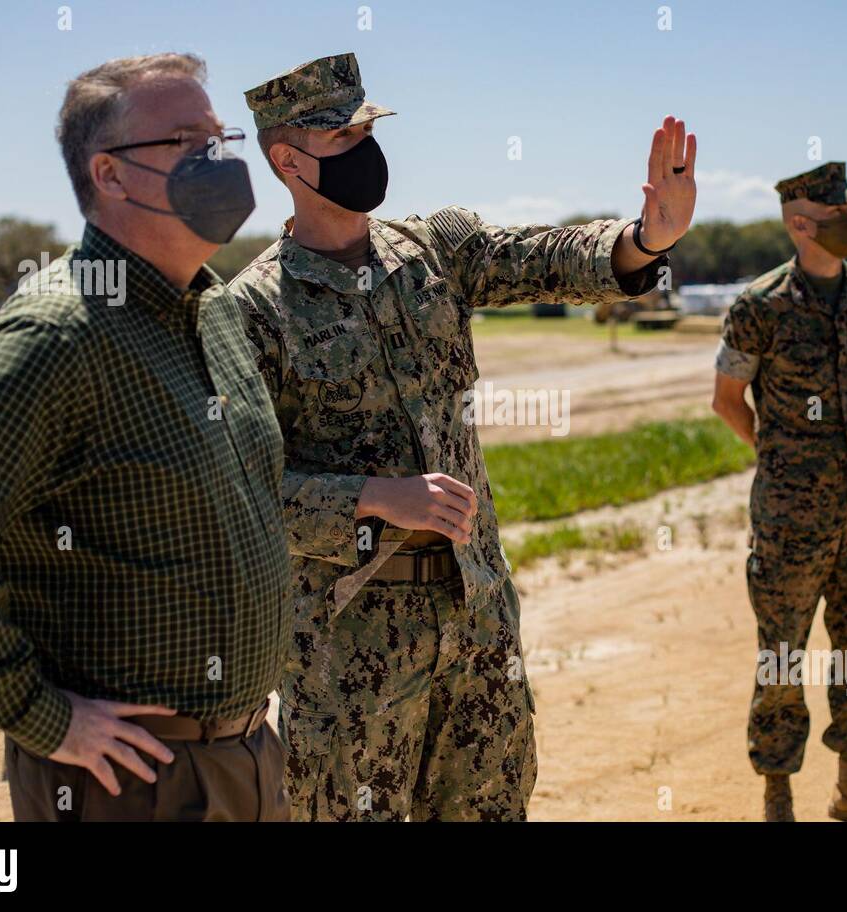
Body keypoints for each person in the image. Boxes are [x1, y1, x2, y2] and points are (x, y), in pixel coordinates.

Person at [230, 52, 696, 820]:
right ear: (288, 160)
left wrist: (645, 239)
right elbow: (241, 496)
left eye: (366, 130)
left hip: (475, 617)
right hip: (348, 653)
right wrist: (375, 499)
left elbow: (547, 259)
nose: (365, 151)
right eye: (342, 139)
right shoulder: (253, 310)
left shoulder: (433, 252)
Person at [0, 53, 292, 821]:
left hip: (245, 758)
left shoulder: (217, 313)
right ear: (111, 175)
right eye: (187, 140)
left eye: (221, 135)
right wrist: (41, 717)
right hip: (129, 783)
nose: (219, 157)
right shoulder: (58, 332)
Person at [711, 162, 847, 822]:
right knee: (782, 656)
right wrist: (780, 454)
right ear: (800, 224)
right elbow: (727, 400)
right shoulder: (758, 307)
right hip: (791, 519)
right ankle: (778, 794)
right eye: (835, 213)